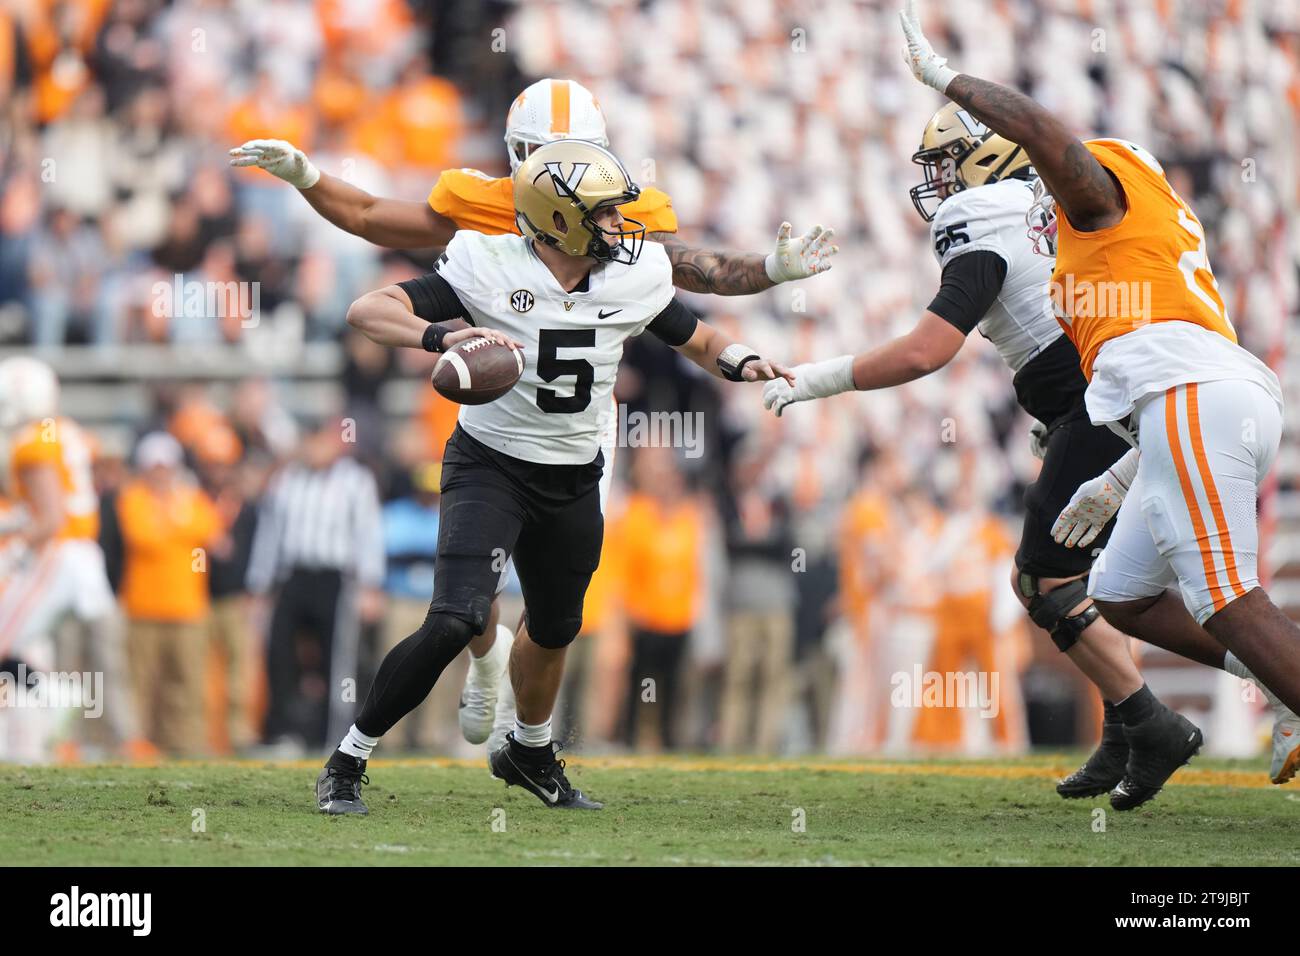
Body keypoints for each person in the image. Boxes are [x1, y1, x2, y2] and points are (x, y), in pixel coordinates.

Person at [230, 77, 836, 751]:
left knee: (556, 609)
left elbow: (688, 276)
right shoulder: (484, 212)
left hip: (576, 424)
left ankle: (530, 740)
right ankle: (482, 661)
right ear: (524, 159)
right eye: (558, 154)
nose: (583, 178)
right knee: (468, 586)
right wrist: (308, 177)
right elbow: (374, 219)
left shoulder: (616, 227)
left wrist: (770, 270)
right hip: (488, 405)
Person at [763, 94, 1298, 806]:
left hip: (1115, 401)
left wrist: (816, 378)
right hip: (1136, 398)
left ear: (991, 154)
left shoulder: (981, 216)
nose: (940, 182)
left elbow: (929, 350)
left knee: (1047, 577)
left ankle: (1154, 722)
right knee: (1113, 588)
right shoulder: (1050, 206)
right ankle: (1144, 723)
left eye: (949, 162)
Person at [895, 0, 1298, 805]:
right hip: (1197, 397)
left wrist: (949, 79)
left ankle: (1288, 693)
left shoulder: (1100, 197)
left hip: (1192, 393)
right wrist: (1118, 477)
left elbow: (1047, 138)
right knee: (1122, 592)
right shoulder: (1114, 255)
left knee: (1224, 598)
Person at [318, 139, 794, 813]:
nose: (619, 229)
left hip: (573, 472)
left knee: (554, 627)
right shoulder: (487, 264)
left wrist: (746, 362)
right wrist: (440, 337)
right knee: (457, 619)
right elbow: (368, 310)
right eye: (603, 215)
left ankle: (528, 753)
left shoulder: (630, 276)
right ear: (560, 219)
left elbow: (702, 338)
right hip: (491, 465)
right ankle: (348, 758)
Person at [0, 357, 144, 761]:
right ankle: (119, 737)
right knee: (103, 655)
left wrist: (13, 545)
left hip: (60, 554)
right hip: (87, 553)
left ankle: (58, 702)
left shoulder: (32, 442)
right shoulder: (69, 432)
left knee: (13, 642)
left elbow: (50, 518)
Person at [246, 417, 386, 751]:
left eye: (320, 440)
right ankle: (284, 732)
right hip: (293, 576)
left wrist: (370, 583)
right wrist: (260, 585)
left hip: (334, 578)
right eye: (309, 440)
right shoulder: (287, 480)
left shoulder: (355, 481)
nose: (314, 448)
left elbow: (368, 533)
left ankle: (332, 735)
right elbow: (270, 535)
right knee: (279, 652)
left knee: (336, 659)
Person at [117, 432, 223, 756]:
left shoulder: (191, 498)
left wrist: (170, 525)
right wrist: (179, 528)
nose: (161, 474)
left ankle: (186, 741)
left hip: (188, 606)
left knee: (187, 681)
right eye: (155, 467)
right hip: (143, 606)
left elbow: (211, 532)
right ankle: (141, 742)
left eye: (166, 467)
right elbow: (143, 536)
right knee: (142, 682)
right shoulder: (133, 498)